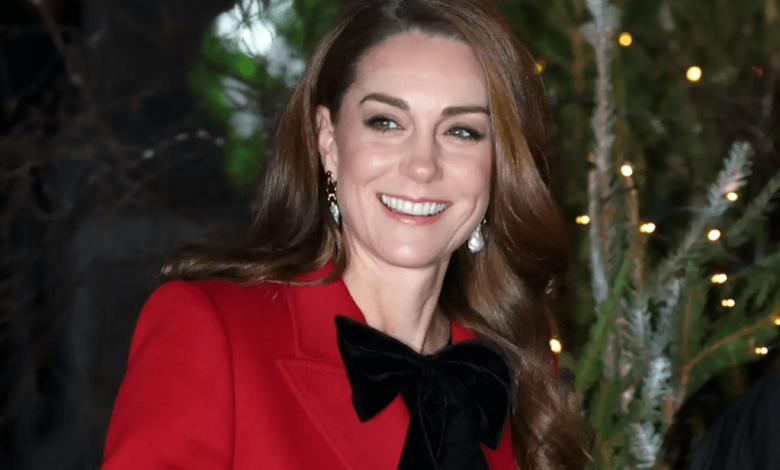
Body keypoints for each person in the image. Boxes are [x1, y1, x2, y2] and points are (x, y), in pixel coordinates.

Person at [100, 0, 590, 469]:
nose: (422, 165)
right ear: (328, 141)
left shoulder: (513, 379)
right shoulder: (213, 331)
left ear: (499, 164)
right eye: (386, 122)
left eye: (461, 131)